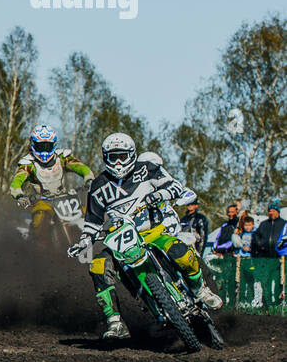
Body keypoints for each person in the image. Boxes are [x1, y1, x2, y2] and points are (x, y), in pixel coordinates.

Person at [68, 132, 222, 339]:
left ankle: (200, 289)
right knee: (97, 266)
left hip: (152, 231)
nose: (119, 162)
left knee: (180, 252)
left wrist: (159, 194)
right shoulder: (98, 185)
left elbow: (175, 186)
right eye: (114, 157)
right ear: (106, 157)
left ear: (132, 154)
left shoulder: (147, 169)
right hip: (119, 238)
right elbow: (93, 221)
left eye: (122, 156)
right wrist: (85, 240)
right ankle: (115, 322)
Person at [7, 125, 92, 232]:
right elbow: (16, 184)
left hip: (66, 198)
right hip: (42, 200)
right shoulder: (28, 164)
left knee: (88, 215)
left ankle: (97, 244)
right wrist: (20, 196)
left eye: (47, 146)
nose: (44, 150)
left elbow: (82, 168)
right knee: (41, 220)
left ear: (54, 145)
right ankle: (37, 247)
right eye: (40, 146)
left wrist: (89, 179)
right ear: (33, 145)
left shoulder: (62, 157)